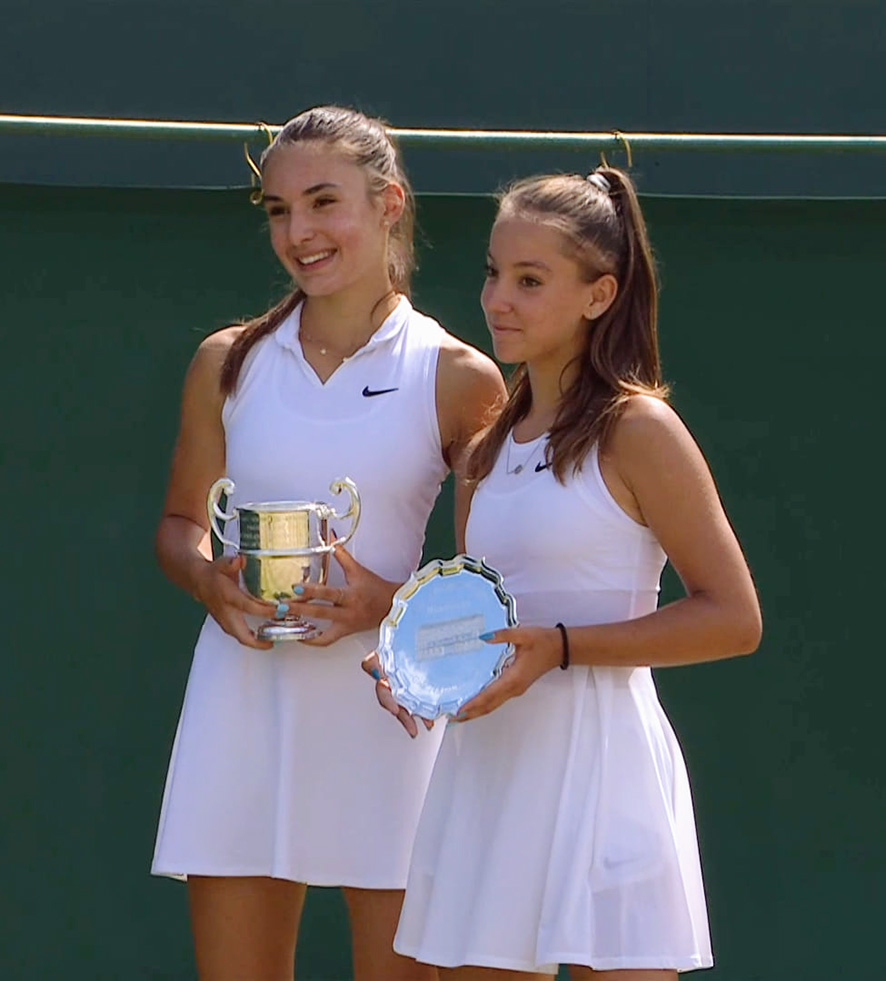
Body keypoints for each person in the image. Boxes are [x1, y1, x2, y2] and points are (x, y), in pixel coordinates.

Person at [368, 167, 762, 980]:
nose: (497, 299)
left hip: (607, 774)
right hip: (492, 773)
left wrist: (562, 646)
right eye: (492, 273)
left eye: (530, 280)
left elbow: (733, 616)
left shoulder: (640, 431)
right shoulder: (483, 454)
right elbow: (486, 625)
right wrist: (416, 668)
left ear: (598, 293)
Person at [151, 105, 506, 981]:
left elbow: (494, 576)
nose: (299, 233)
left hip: (386, 710)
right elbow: (179, 525)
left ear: (388, 205)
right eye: (278, 210)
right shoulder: (225, 362)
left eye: (322, 203)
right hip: (241, 699)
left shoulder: (457, 375)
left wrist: (387, 605)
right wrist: (208, 580)